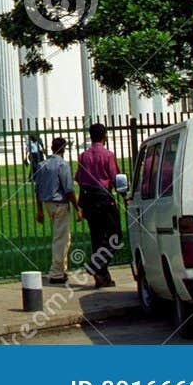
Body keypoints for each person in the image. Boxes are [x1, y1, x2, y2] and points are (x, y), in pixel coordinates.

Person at [76, 122, 122, 287]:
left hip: (88, 199)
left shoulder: (83, 156)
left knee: (97, 237)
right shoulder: (107, 155)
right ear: (104, 137)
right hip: (103, 198)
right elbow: (115, 177)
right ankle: (96, 266)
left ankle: (102, 277)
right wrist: (123, 194)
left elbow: (78, 178)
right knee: (115, 236)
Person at [33, 137, 80, 284]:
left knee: (63, 237)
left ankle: (62, 269)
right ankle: (56, 273)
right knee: (61, 238)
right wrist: (77, 207)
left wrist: (39, 210)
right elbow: (69, 189)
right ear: (64, 149)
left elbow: (37, 190)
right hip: (60, 204)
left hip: (47, 204)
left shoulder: (42, 164)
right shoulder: (62, 165)